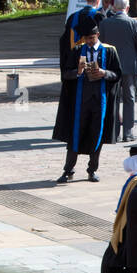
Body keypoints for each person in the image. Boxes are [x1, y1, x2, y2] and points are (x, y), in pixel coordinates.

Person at [53, 17, 121, 183]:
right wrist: (78, 72)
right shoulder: (77, 51)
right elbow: (65, 74)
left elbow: (118, 74)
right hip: (79, 102)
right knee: (75, 135)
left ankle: (92, 170)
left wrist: (104, 73)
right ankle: (68, 170)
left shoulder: (110, 51)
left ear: (97, 35)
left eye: (92, 38)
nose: (89, 42)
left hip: (100, 101)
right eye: (86, 39)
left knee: (96, 134)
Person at [99, 0, 137, 142]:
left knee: (113, 99)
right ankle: (128, 132)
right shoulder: (133, 23)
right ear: (127, 8)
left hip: (111, 67)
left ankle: (114, 133)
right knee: (129, 99)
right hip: (129, 66)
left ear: (114, 7)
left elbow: (101, 46)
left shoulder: (105, 23)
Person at [59, 0, 104, 65]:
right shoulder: (99, 16)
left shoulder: (72, 17)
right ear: (98, 1)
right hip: (94, 58)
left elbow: (65, 39)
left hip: (74, 57)